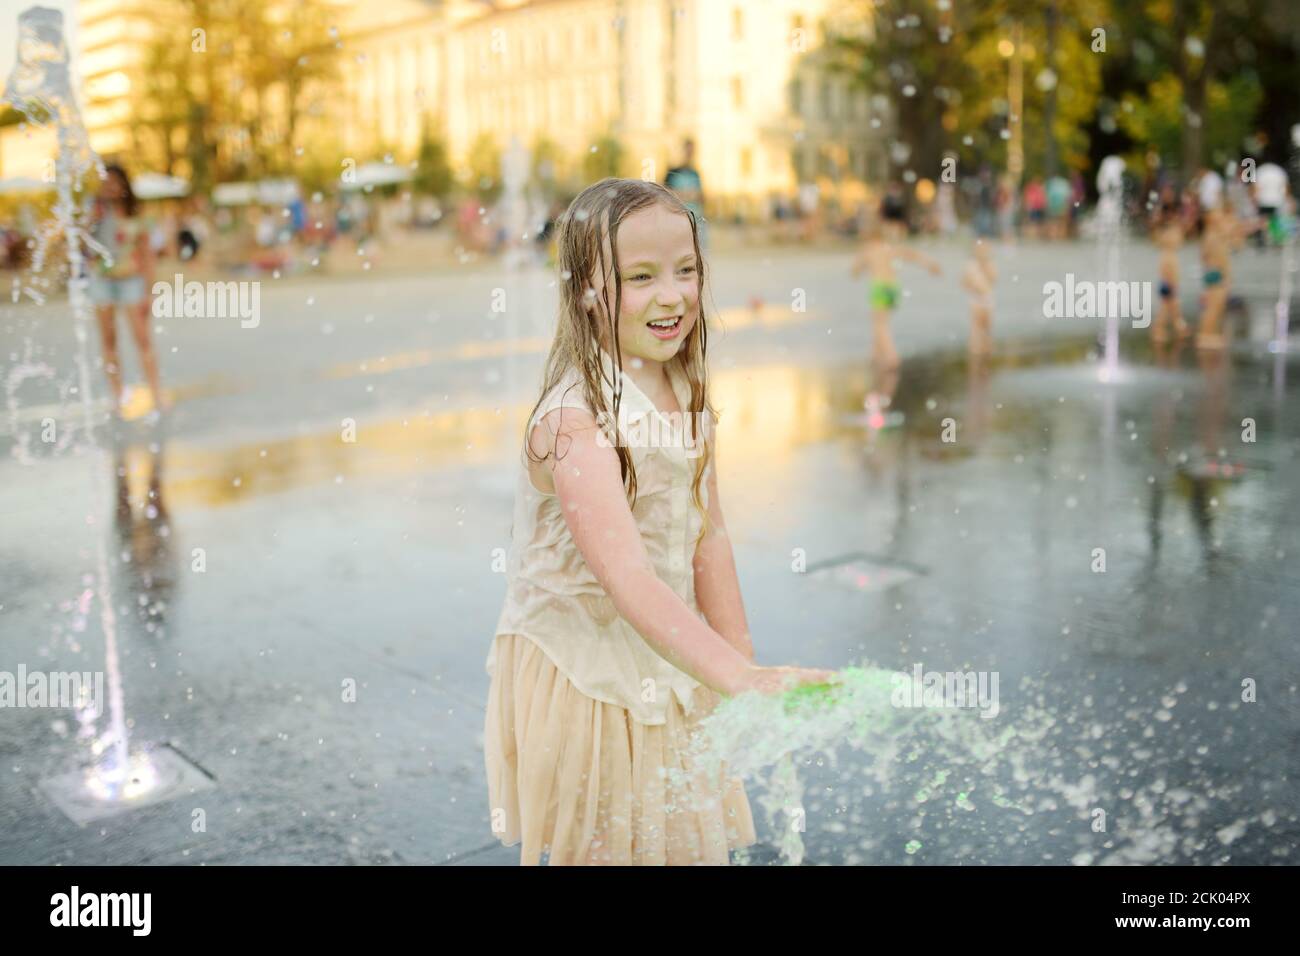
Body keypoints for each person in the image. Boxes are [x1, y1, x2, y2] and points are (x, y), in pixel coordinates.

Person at [484, 178, 832, 866]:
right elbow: (629, 580)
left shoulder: (682, 385)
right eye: (641, 277)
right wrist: (733, 676)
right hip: (588, 673)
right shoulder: (573, 422)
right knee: (612, 848)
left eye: (686, 270)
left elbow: (710, 531)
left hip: (667, 652)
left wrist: (740, 665)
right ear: (587, 289)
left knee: (678, 845)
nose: (671, 295)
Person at [87, 164, 164, 415]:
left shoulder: (136, 214)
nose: (109, 187)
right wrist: (91, 219)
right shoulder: (96, 212)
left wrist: (150, 291)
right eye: (105, 182)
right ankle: (117, 395)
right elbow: (83, 245)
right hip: (103, 282)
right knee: (109, 341)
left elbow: (146, 255)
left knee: (143, 339)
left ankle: (156, 392)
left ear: (123, 185)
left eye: (114, 182)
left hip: (131, 282)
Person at [851, 193, 942, 370]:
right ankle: (875, 355)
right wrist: (931, 265)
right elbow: (912, 255)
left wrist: (856, 272)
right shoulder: (892, 247)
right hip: (893, 288)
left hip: (879, 288)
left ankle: (891, 356)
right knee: (881, 321)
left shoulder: (870, 248)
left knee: (880, 325)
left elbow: (856, 268)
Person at [1151, 196, 1190, 343]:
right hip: (1168, 267)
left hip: (1169, 266)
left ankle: (1177, 326)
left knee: (1169, 303)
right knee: (1169, 301)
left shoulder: (1170, 229)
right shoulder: (1168, 232)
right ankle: (1172, 327)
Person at [664, 138, 707, 249]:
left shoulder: (695, 173)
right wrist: (686, 195)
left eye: (692, 151)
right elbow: (664, 193)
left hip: (696, 220)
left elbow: (702, 197)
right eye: (688, 151)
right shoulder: (673, 172)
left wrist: (695, 196)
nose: (690, 154)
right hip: (678, 220)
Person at [961, 238, 997, 356]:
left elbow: (993, 279)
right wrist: (972, 286)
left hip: (988, 299)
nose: (982, 252)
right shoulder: (971, 265)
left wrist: (985, 266)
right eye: (979, 250)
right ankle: (975, 352)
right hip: (975, 300)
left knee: (987, 327)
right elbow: (964, 282)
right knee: (975, 329)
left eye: (984, 250)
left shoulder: (989, 264)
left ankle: (987, 351)